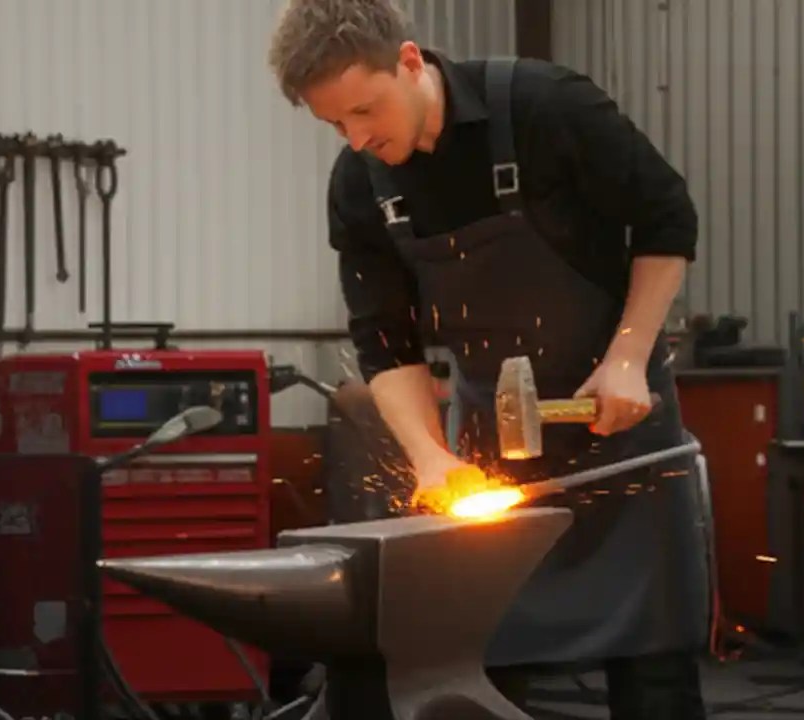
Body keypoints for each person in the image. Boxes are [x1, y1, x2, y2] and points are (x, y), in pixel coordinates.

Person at [268, 1, 710, 717]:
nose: (356, 138)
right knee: (479, 676)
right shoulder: (361, 186)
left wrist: (628, 359)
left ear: (409, 62)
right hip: (492, 457)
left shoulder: (546, 107)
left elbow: (669, 217)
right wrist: (430, 458)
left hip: (622, 433)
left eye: (364, 110)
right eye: (334, 125)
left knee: (653, 681)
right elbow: (385, 340)